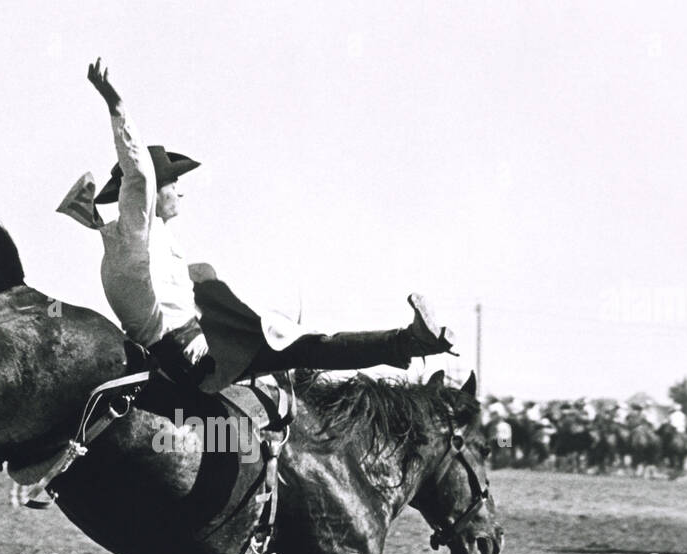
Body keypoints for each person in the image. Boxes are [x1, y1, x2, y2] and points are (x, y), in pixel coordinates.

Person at [63, 58, 454, 391]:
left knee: (288, 332)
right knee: (309, 346)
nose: (180, 193)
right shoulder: (137, 236)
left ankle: (408, 342)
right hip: (187, 355)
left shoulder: (133, 244)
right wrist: (116, 104)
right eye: (175, 184)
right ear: (152, 196)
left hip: (187, 344)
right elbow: (139, 174)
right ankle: (409, 342)